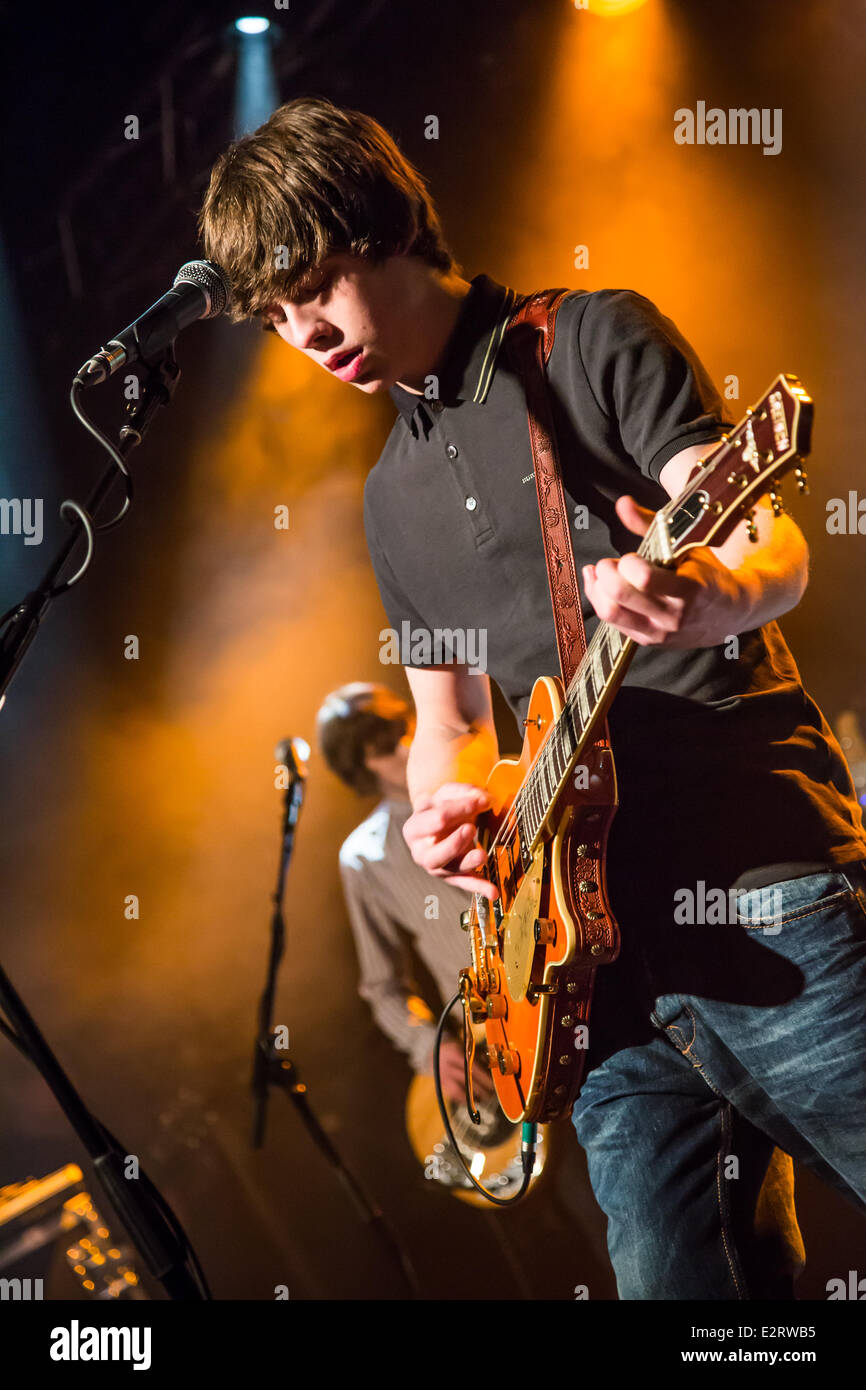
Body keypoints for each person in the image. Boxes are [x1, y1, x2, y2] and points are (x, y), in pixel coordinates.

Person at [200, 97, 866, 1299]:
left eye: (318, 285)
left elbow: (768, 534)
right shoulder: (385, 495)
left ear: (383, 224)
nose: (304, 333)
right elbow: (448, 722)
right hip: (580, 967)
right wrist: (444, 817)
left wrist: (711, 593)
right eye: (277, 317)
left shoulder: (591, 340)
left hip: (757, 882)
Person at [315, 681, 493, 1105]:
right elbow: (383, 985)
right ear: (362, 767)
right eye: (381, 747)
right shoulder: (364, 857)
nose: (403, 747)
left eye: (399, 729)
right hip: (495, 1032)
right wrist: (428, 1046)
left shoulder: (485, 779)